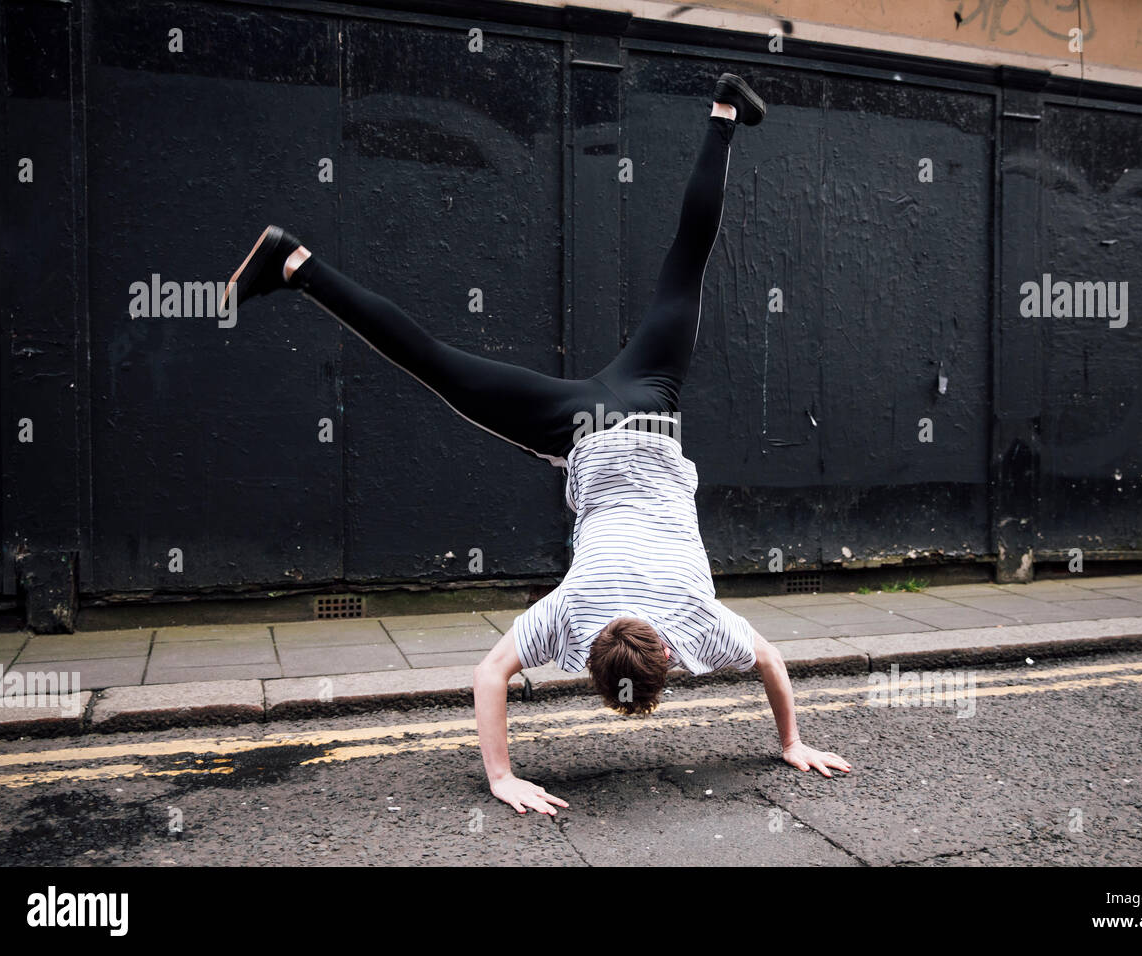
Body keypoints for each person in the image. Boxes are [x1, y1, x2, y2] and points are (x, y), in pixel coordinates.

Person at [223, 73, 851, 817]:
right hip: (577, 430)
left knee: (687, 264)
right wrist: (500, 778)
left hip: (649, 408)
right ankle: (294, 265)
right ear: (604, 659)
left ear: (668, 657)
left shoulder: (699, 624)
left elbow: (773, 663)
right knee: (438, 366)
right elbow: (492, 674)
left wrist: (791, 738)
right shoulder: (577, 613)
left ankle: (723, 115)